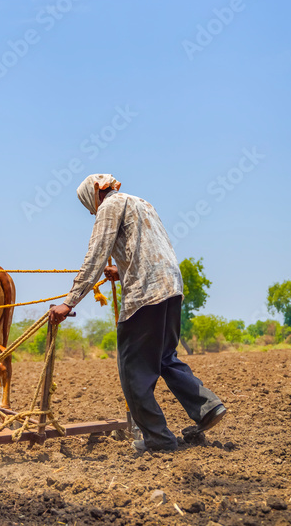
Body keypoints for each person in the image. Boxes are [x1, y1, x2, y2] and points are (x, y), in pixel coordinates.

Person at [48, 173, 227, 452]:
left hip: (144, 294)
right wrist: (121, 271)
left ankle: (158, 439)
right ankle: (207, 407)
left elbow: (96, 254)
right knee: (165, 357)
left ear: (93, 196)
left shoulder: (108, 207)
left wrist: (69, 302)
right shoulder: (143, 203)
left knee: (133, 371)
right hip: (170, 287)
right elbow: (152, 248)